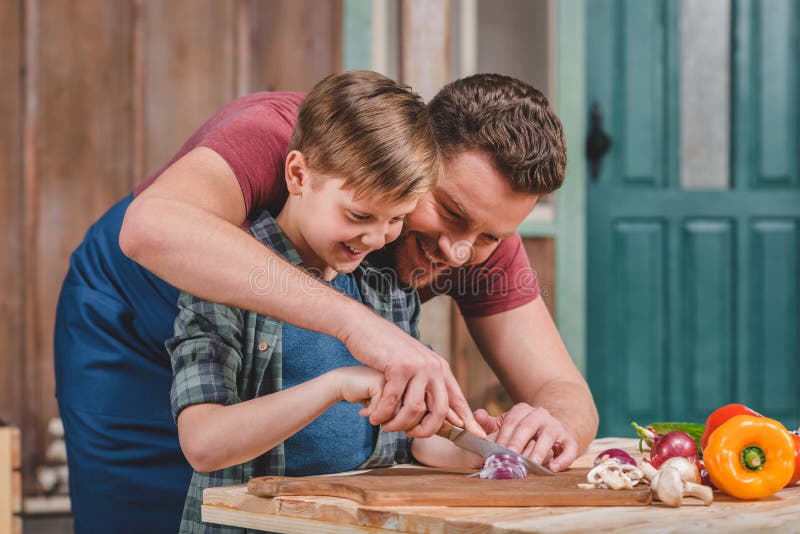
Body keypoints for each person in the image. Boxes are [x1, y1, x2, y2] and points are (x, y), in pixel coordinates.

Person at [55, 71, 597, 533]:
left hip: (287, 396)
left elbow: (564, 390)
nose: (459, 251)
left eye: (489, 237)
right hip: (132, 324)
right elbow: (150, 230)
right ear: (416, 154)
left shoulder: (481, 234)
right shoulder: (279, 132)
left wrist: (550, 431)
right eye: (450, 213)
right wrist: (359, 327)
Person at [167, 71, 487, 532]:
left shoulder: (386, 283)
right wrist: (336, 384)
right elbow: (204, 443)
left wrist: (478, 445)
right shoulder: (226, 277)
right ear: (299, 175)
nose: (377, 237)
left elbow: (412, 441)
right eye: (359, 215)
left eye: (396, 218)